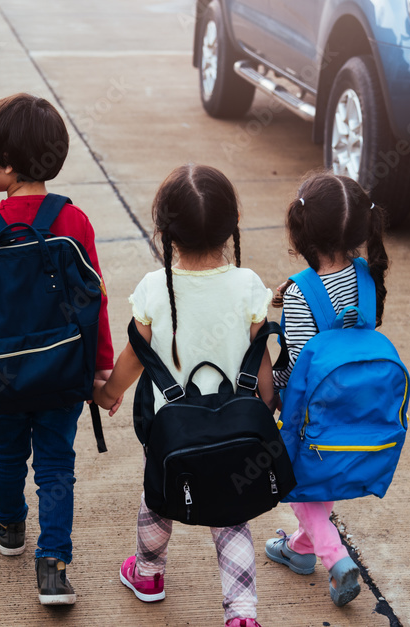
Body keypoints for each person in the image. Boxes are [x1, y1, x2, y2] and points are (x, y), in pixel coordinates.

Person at [0, 93, 113, 606]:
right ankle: (54, 566)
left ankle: (11, 526)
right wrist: (99, 367)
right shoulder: (72, 221)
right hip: (62, 368)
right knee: (57, 463)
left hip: (1, 369)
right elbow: (94, 297)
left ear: (7, 166)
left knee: (6, 449)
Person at [92, 164, 272, 627]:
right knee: (231, 517)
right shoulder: (248, 284)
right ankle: (242, 614)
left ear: (164, 229)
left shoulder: (154, 288)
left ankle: (148, 573)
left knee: (159, 497)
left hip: (171, 430)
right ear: (232, 225)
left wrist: (108, 392)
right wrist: (270, 409)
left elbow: (136, 355)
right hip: (235, 426)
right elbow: (261, 359)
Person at [264, 172, 388, 606]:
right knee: (321, 476)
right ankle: (300, 549)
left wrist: (269, 391)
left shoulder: (302, 292)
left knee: (295, 481)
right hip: (359, 407)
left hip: (313, 410)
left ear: (300, 230)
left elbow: (300, 366)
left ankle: (335, 557)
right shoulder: (367, 275)